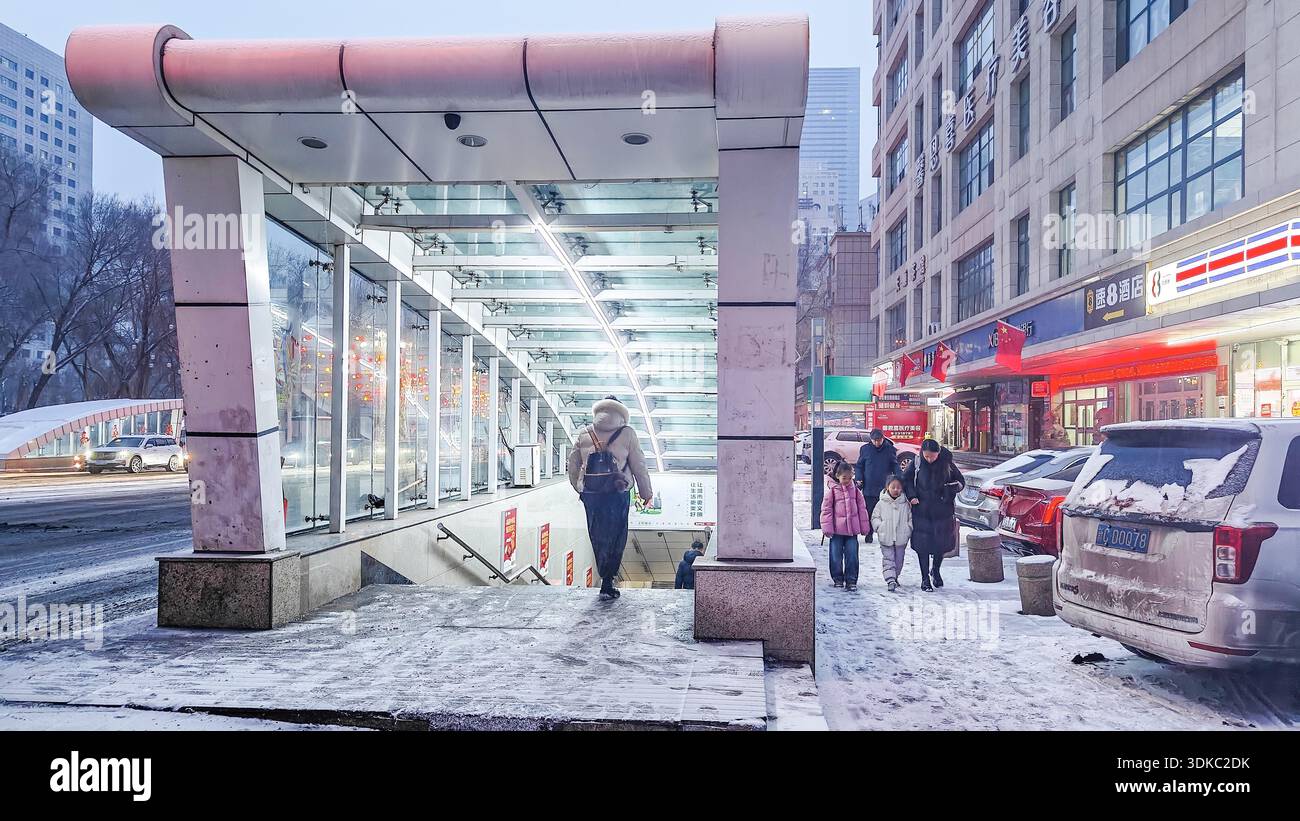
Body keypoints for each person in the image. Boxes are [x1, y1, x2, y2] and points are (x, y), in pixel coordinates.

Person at [567, 396, 654, 601]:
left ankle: (603, 573)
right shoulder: (628, 434)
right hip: (618, 493)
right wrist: (646, 493)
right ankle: (608, 580)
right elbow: (639, 466)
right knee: (617, 536)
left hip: (592, 495)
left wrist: (579, 488)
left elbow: (572, 464)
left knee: (597, 536)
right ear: (621, 413)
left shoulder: (585, 433)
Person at [902, 438, 965, 592]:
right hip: (921, 511)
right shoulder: (917, 463)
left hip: (942, 512)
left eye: (932, 456)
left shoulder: (947, 463)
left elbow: (960, 482)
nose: (929, 459)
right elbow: (906, 480)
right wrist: (911, 496)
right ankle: (924, 579)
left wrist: (950, 489)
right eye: (926, 456)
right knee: (922, 546)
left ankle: (935, 570)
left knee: (940, 545)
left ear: (938, 453)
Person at [820, 461, 870, 591]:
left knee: (852, 555)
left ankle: (851, 579)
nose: (847, 481)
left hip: (852, 531)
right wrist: (827, 528)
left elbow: (862, 510)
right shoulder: (832, 491)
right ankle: (837, 578)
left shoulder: (856, 492)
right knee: (835, 555)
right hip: (836, 531)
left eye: (849, 478)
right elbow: (826, 511)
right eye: (844, 478)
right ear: (838, 476)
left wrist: (865, 528)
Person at [854, 428, 899, 541]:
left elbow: (895, 465)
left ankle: (885, 534)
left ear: (883, 439)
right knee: (869, 511)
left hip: (885, 487)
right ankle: (869, 533)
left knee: (885, 513)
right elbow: (859, 466)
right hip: (869, 486)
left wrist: (900, 478)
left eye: (879, 440)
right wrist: (859, 479)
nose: (877, 443)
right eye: (874, 440)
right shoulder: (865, 449)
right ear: (871, 440)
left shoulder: (890, 450)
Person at [871, 474, 912, 592]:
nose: (896, 490)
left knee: (899, 559)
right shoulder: (881, 503)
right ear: (887, 487)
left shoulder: (905, 504)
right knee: (888, 559)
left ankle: (895, 576)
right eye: (893, 487)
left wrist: (908, 529)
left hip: (901, 537)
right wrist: (879, 527)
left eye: (898, 487)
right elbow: (875, 517)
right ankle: (890, 579)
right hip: (886, 536)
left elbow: (910, 519)